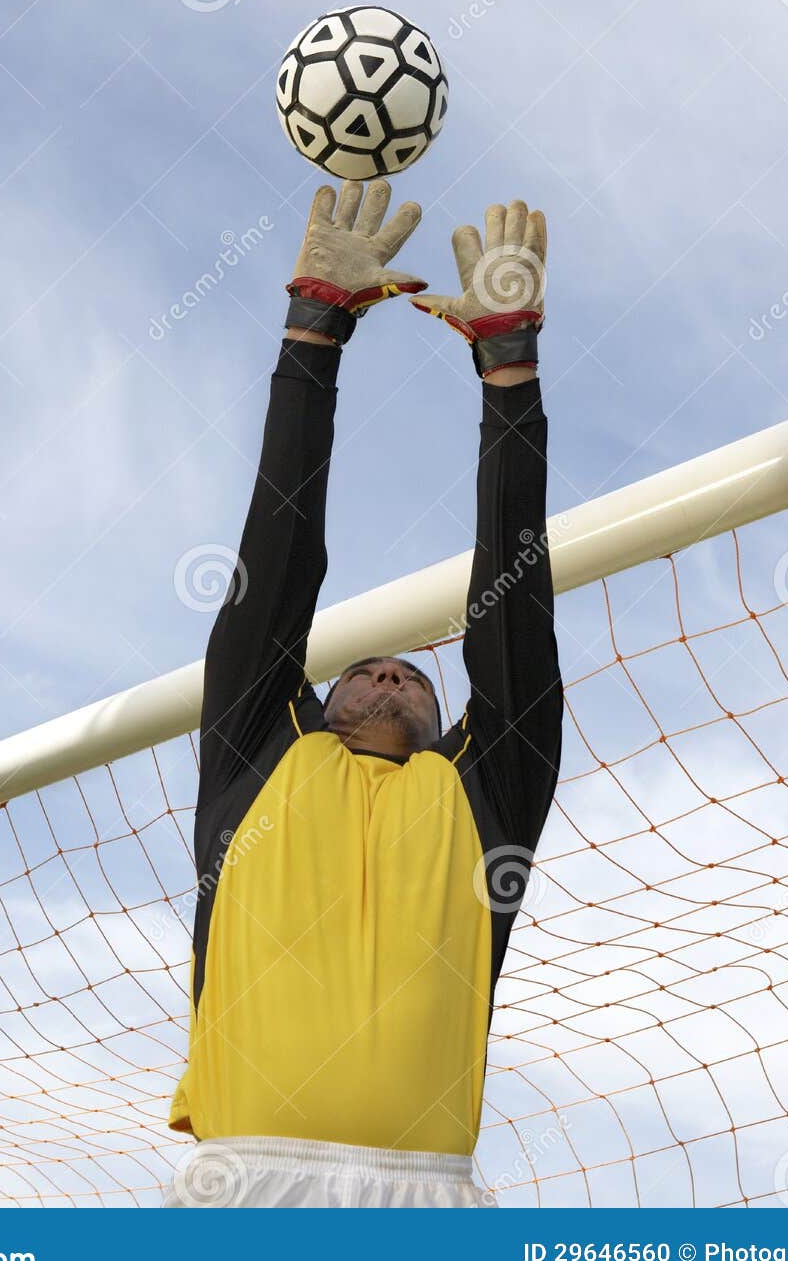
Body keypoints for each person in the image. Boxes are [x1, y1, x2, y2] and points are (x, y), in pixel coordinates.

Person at [166, 180, 562, 1209]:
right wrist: (315, 329)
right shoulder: (257, 749)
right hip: (240, 1189)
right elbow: (278, 547)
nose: (389, 670)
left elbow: (511, 603)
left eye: (414, 674)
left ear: (445, 723)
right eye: (367, 668)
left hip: (427, 1199)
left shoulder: (485, 795)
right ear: (314, 699)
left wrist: (506, 370)